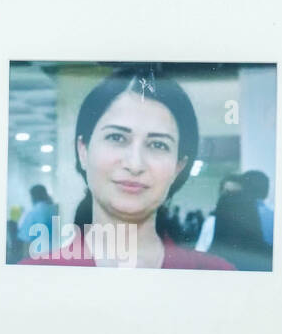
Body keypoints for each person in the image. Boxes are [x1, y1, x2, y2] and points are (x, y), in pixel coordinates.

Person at [17, 66, 234, 270]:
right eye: (117, 137)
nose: (135, 164)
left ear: (179, 166)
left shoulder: (217, 275)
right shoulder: (33, 275)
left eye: (158, 145)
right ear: (83, 151)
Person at [15, 184, 58, 255]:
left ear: (33, 197)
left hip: (39, 256)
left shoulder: (32, 213)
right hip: (56, 254)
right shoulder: (54, 210)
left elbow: (26, 240)